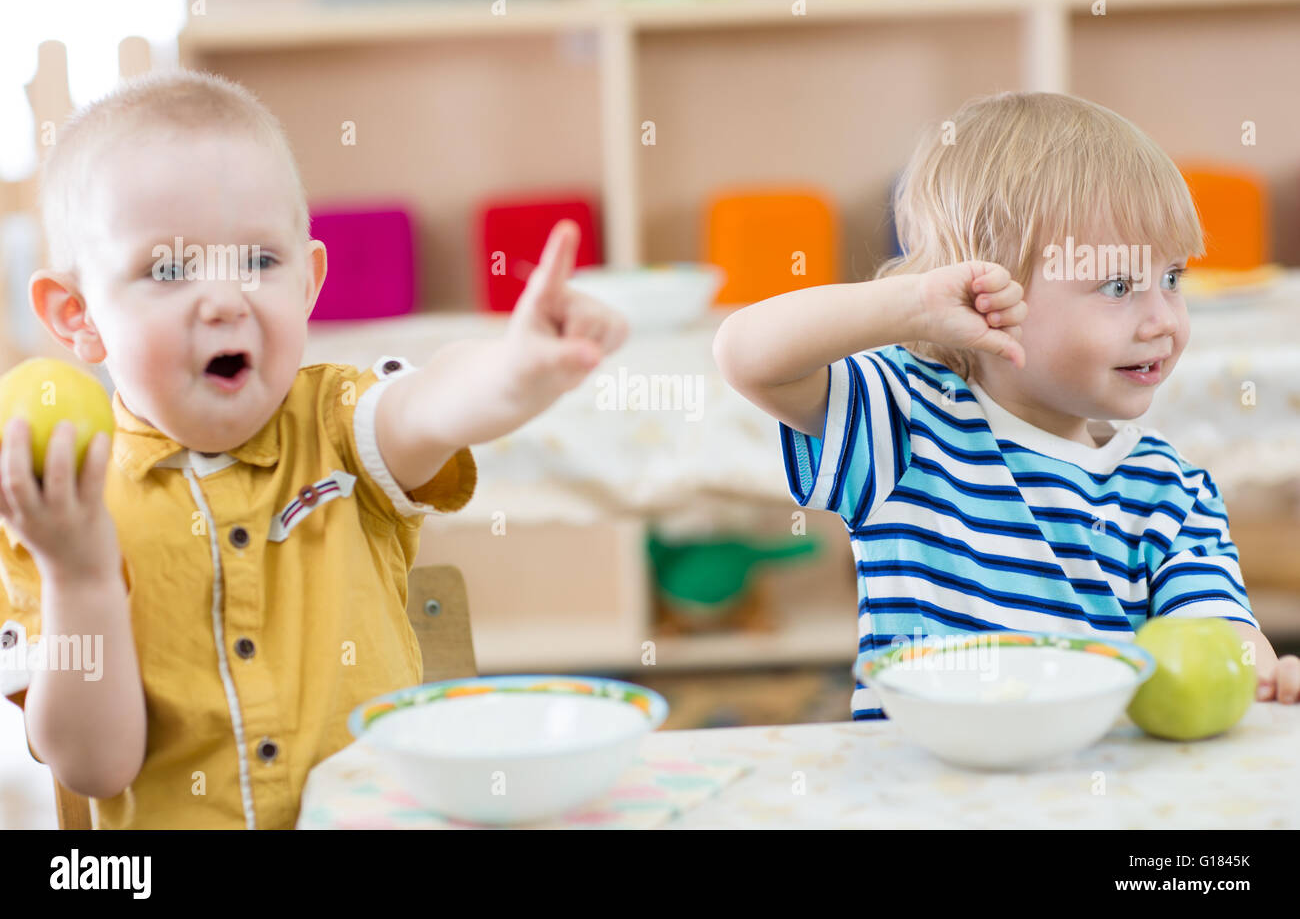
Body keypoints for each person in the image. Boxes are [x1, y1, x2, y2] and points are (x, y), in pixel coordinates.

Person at [0, 69, 627, 826]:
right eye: (167, 269)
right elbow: (96, 768)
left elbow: (431, 403)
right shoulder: (54, 510)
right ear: (78, 316)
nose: (226, 298)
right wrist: (80, 575)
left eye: (260, 261)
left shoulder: (340, 424)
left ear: (308, 283)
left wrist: (514, 368)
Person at [714, 91, 1299, 720]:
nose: (1163, 320)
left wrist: (1260, 676)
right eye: (1118, 285)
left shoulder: (1171, 488)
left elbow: (1218, 627)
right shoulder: (910, 423)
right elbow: (749, 356)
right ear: (987, 293)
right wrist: (910, 305)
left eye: (1173, 278)